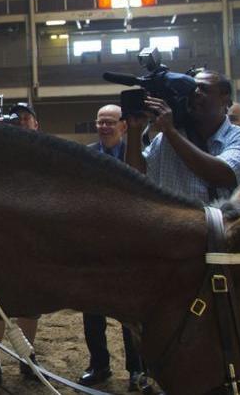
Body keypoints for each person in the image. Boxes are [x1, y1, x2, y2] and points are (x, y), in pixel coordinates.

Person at [77, 104, 146, 390]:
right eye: (100, 122)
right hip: (95, 242)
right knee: (92, 309)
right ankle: (99, 365)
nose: (104, 127)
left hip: (130, 243)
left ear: (124, 126)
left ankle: (136, 369)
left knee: (131, 313)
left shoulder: (141, 154)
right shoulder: (86, 156)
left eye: (110, 122)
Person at [0, 102, 43, 394]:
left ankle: (27, 357)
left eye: (26, 118)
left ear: (36, 124)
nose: (20, 123)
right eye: (16, 119)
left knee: (29, 304)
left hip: (31, 237)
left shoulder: (45, 153)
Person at [125, 69, 240, 203]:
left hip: (217, 225)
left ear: (225, 98)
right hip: (170, 224)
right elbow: (137, 175)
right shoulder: (165, 139)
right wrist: (134, 129)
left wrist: (170, 131)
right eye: (192, 88)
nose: (195, 93)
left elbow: (220, 175)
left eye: (203, 88)